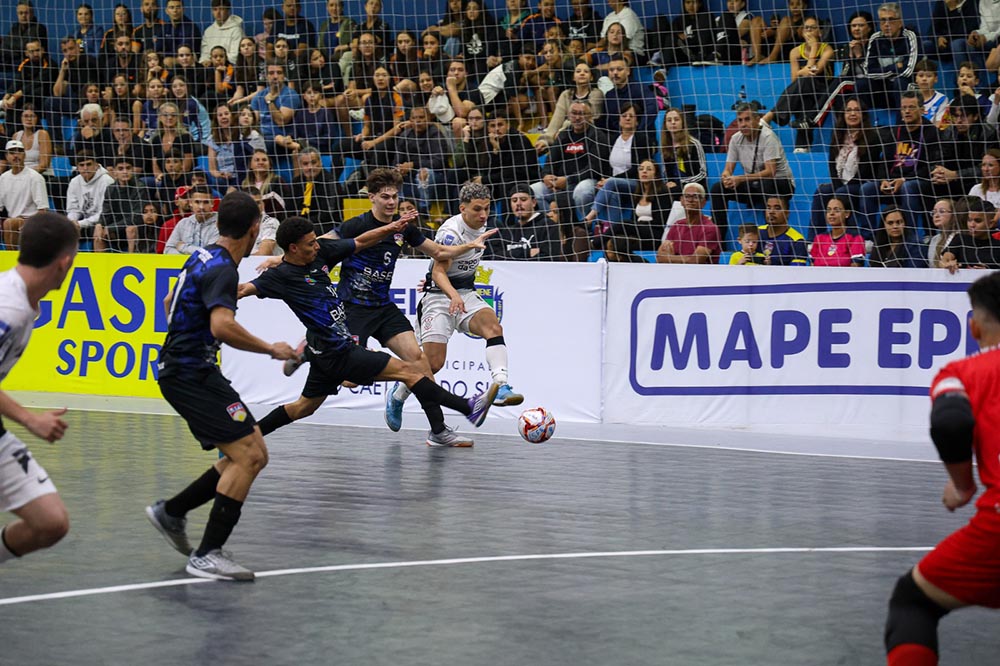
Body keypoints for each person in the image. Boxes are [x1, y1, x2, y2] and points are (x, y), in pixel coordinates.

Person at [146, 190, 297, 581]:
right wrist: (271, 349)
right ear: (252, 230)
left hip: (191, 369)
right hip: (188, 374)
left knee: (250, 452)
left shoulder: (202, 256)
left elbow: (168, 302)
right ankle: (208, 554)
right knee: (250, 456)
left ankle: (172, 511)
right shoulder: (225, 270)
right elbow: (222, 326)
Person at [248, 214, 500, 447]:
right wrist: (213, 292)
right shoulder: (281, 275)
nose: (316, 245)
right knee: (405, 373)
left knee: (303, 408)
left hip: (334, 344)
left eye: (394, 196)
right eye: (311, 243)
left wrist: (391, 228)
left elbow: (358, 243)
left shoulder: (321, 253)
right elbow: (242, 290)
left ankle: (249, 437)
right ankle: (468, 407)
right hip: (342, 345)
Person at [884, 270, 1000, 665]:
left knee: (912, 602)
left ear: (975, 327)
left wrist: (962, 485)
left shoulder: (962, 375)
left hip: (996, 531)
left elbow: (950, 421)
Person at [385, 182, 524, 435]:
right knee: (433, 364)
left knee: (493, 326)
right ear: (463, 208)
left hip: (466, 292)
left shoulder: (482, 225)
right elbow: (438, 271)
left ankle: (501, 385)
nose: (483, 215)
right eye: (477, 209)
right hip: (439, 297)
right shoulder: (451, 232)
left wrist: (459, 295)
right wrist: (451, 295)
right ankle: (399, 393)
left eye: (487, 208)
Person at [0, 212, 77, 567]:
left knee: (50, 522)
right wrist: (30, 419)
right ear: (64, 263)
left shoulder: (27, 301)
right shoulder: (9, 307)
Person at [709, 102, 796, 241]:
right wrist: (726, 178)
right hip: (755, 185)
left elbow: (770, 172)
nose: (743, 124)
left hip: (781, 184)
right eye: (740, 120)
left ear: (757, 119)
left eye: (747, 119)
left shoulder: (768, 137)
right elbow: (728, 169)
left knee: (765, 184)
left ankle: (770, 239)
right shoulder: (735, 139)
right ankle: (718, 241)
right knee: (717, 189)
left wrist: (740, 179)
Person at [486, 183, 562, 260]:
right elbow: (495, 256)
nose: (518, 203)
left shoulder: (548, 226)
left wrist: (511, 254)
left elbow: (548, 257)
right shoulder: (507, 231)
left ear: (534, 202)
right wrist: (527, 252)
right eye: (514, 201)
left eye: (523, 199)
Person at [0, 139, 49, 251]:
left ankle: (11, 259)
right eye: (12, 153)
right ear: (7, 156)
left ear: (25, 155)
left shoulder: (35, 177)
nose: (16, 156)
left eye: (19, 152)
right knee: (9, 223)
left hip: (32, 221)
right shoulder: (3, 178)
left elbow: (43, 210)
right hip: (13, 220)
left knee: (9, 223)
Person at [656, 182, 721, 264]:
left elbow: (696, 260)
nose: (690, 200)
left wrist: (669, 258)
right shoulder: (677, 225)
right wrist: (686, 259)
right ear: (682, 201)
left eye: (695, 197)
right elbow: (660, 258)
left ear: (703, 202)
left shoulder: (710, 228)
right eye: (687, 196)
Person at [810, 196, 865, 266]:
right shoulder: (819, 238)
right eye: (829, 210)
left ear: (847, 213)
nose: (831, 213)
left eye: (837, 210)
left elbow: (855, 269)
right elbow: (812, 267)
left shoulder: (855, 238)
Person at [758, 195, 807, 265]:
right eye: (768, 208)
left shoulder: (797, 241)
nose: (771, 212)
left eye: (777, 208)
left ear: (787, 213)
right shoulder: (757, 232)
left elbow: (797, 272)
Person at [199, 0, 244, 65]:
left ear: (228, 10)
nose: (218, 12)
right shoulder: (208, 31)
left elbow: (235, 55)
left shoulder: (236, 30)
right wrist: (205, 61)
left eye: (221, 9)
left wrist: (218, 60)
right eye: (215, 9)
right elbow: (204, 53)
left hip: (230, 67)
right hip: (211, 68)